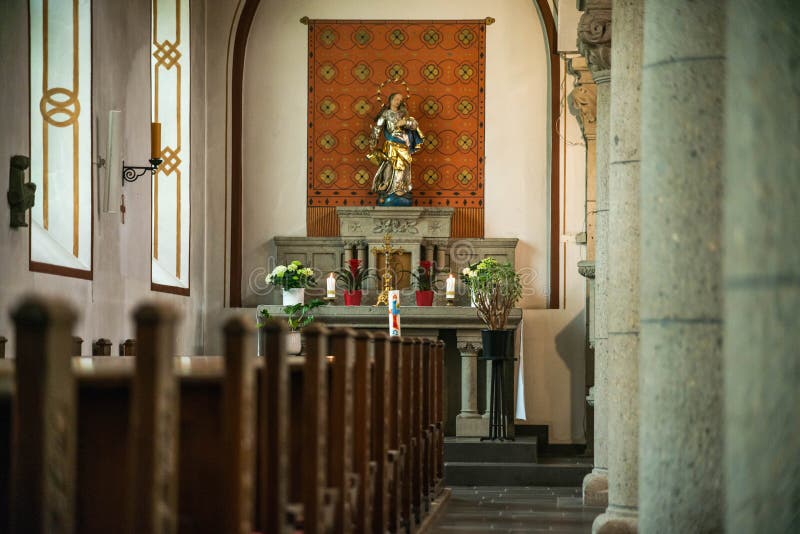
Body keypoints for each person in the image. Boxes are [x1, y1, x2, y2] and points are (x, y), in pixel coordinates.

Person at [367, 93, 424, 206]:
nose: (398, 101)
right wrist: (373, 142)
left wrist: (405, 122)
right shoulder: (385, 114)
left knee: (403, 167)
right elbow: (377, 128)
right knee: (390, 165)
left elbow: (414, 124)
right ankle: (386, 187)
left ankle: (400, 189)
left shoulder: (403, 114)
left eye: (400, 100)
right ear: (390, 100)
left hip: (403, 144)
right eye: (396, 99)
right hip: (391, 144)